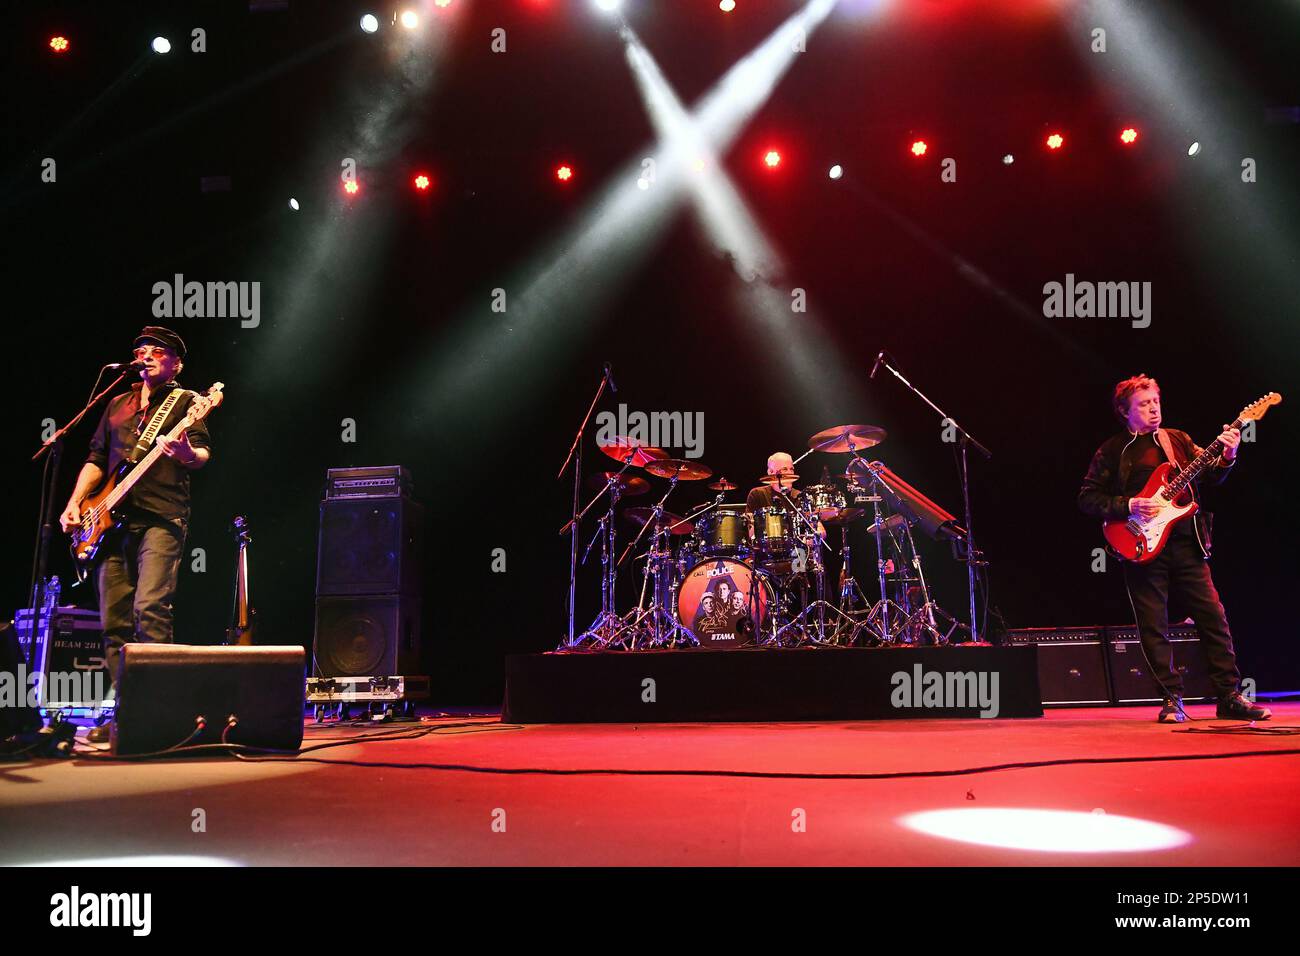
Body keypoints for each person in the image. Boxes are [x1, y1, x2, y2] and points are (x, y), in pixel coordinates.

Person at [1077, 374, 1268, 723]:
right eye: (1144, 404)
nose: (1153, 409)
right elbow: (1087, 498)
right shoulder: (1111, 450)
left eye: (1156, 402)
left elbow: (1210, 475)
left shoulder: (1176, 439)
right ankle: (1171, 699)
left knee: (1214, 617)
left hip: (1187, 544)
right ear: (1124, 411)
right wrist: (1129, 504)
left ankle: (1228, 696)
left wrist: (1228, 454)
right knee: (1154, 626)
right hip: (1140, 545)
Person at [59, 327, 212, 742]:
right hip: (108, 522)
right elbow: (95, 458)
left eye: (157, 352)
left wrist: (185, 454)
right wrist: (77, 501)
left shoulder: (186, 402)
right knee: (114, 624)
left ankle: (162, 713)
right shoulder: (116, 404)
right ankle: (127, 711)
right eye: (140, 350)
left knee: (150, 610)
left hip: (161, 518)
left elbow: (200, 453)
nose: (145, 355)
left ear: (175, 364)